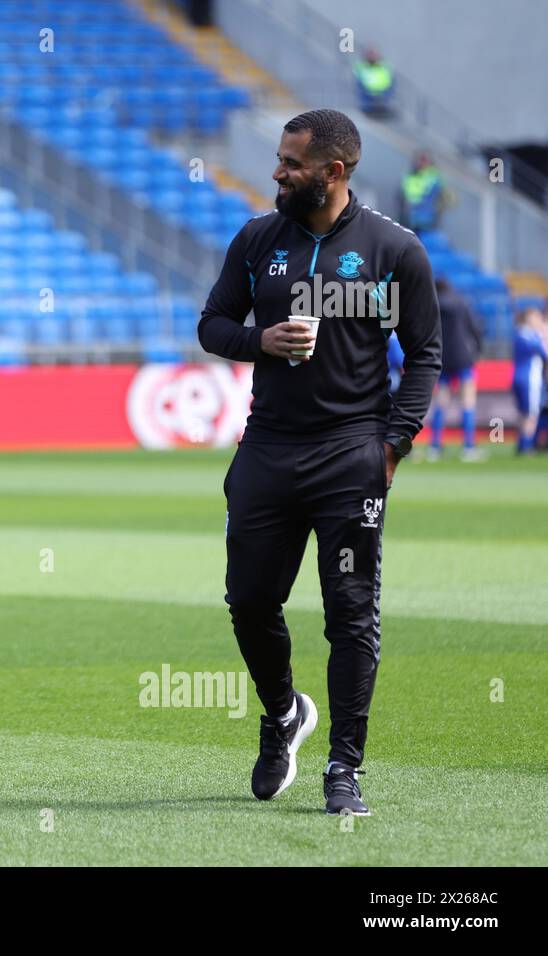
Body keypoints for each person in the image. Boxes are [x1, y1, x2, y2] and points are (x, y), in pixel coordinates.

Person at [198, 109, 441, 817]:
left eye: (291, 163)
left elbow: (424, 353)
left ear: (333, 172)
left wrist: (393, 446)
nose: (277, 172)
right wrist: (260, 341)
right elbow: (213, 324)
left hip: (350, 457)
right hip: (267, 451)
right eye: (278, 159)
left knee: (351, 614)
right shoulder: (256, 240)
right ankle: (283, 715)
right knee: (248, 602)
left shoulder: (394, 250)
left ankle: (344, 768)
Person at [427, 276, 483, 461]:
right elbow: (475, 328)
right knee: (468, 401)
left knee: (440, 402)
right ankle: (468, 447)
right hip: (463, 357)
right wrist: (477, 351)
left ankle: (435, 446)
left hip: (442, 357)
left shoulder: (432, 305)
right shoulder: (461, 302)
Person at [511, 306, 547, 455]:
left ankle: (521, 443)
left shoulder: (519, 334)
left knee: (523, 413)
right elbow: (544, 353)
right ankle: (526, 445)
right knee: (531, 413)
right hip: (529, 379)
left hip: (517, 377)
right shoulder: (529, 336)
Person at [401, 153, 448, 233]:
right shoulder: (410, 176)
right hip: (411, 218)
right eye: (420, 160)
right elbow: (404, 196)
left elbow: (441, 198)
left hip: (428, 219)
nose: (421, 163)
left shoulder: (434, 178)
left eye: (424, 160)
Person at [353, 47, 394, 116]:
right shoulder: (360, 67)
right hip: (367, 97)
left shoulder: (384, 67)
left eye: (374, 54)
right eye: (370, 54)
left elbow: (389, 83)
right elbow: (360, 83)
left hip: (383, 95)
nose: (372, 56)